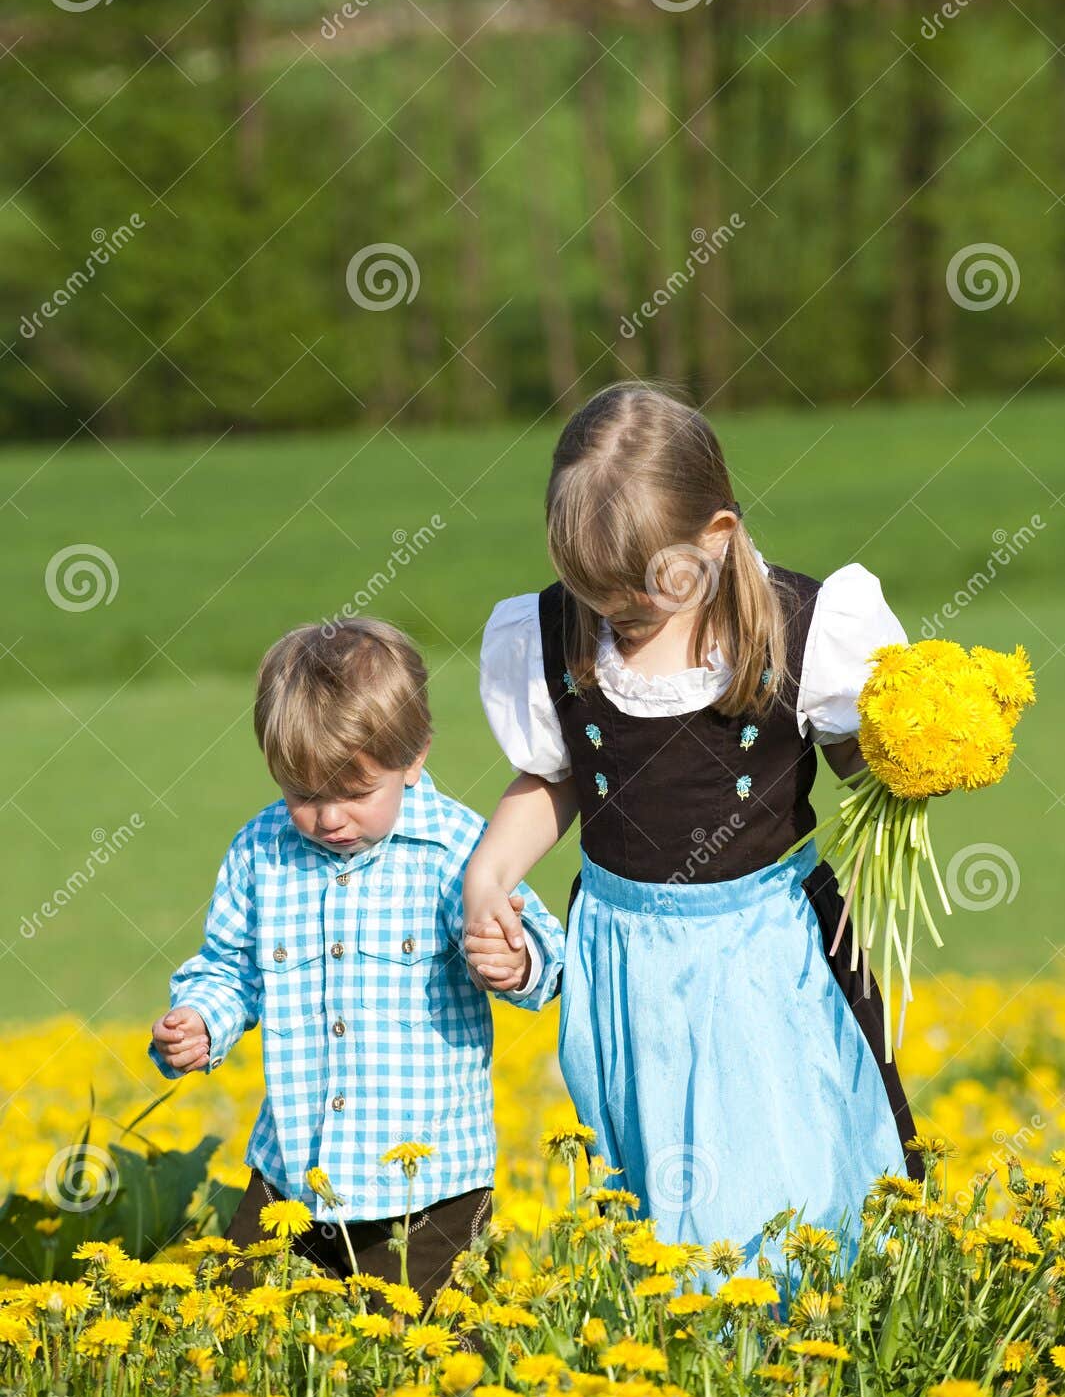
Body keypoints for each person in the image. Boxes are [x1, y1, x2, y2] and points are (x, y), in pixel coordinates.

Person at [463, 382, 924, 1286]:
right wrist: (488, 878)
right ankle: (698, 1371)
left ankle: (808, 1361)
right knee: (664, 1201)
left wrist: (911, 750)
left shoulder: (807, 626)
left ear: (716, 534)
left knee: (796, 1177)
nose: (620, 611)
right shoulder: (552, 633)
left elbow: (849, 762)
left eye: (642, 591)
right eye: (594, 593)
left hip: (772, 958)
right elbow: (555, 779)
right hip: (626, 962)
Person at [150, 617, 564, 1298]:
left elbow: (543, 958)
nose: (329, 817)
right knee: (234, 1325)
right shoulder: (260, 851)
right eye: (304, 795)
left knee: (422, 1351)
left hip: (429, 1188)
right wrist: (200, 1017)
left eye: (355, 794)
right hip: (292, 1170)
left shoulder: (459, 849)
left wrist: (513, 962)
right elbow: (230, 967)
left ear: (414, 758)